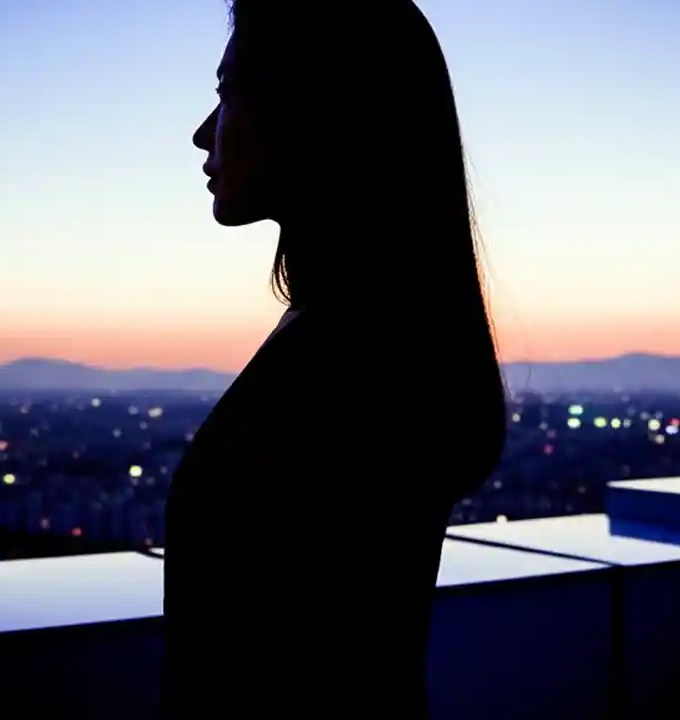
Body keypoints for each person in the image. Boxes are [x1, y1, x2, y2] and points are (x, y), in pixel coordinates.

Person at [162, 2, 507, 717]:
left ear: (312, 110)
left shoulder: (346, 365)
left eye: (228, 91)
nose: (203, 133)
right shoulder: (380, 341)